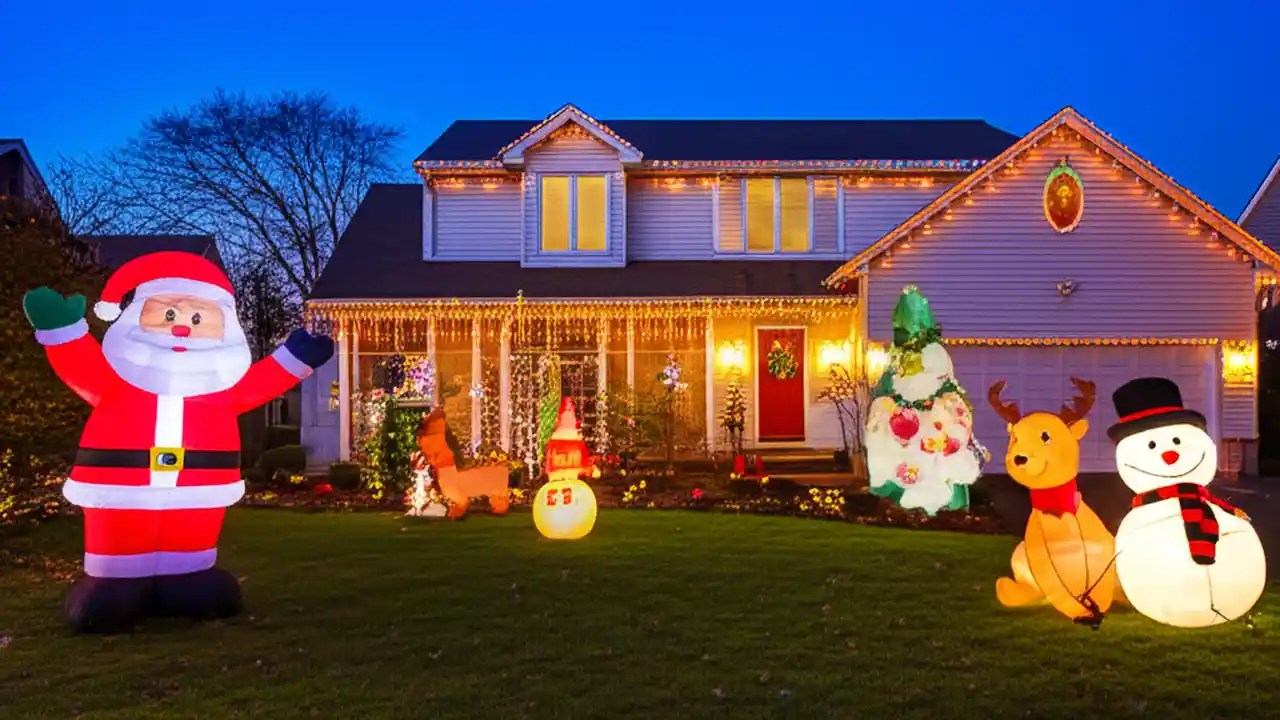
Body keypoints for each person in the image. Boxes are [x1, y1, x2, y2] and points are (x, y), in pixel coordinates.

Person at [23, 250, 334, 633]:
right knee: (119, 538)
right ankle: (114, 580)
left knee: (192, 536)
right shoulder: (118, 385)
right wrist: (64, 333)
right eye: (168, 314)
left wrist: (296, 356)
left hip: (199, 487)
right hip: (122, 482)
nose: (182, 328)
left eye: (198, 318)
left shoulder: (221, 390)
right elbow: (83, 369)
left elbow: (262, 382)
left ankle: (187, 575)